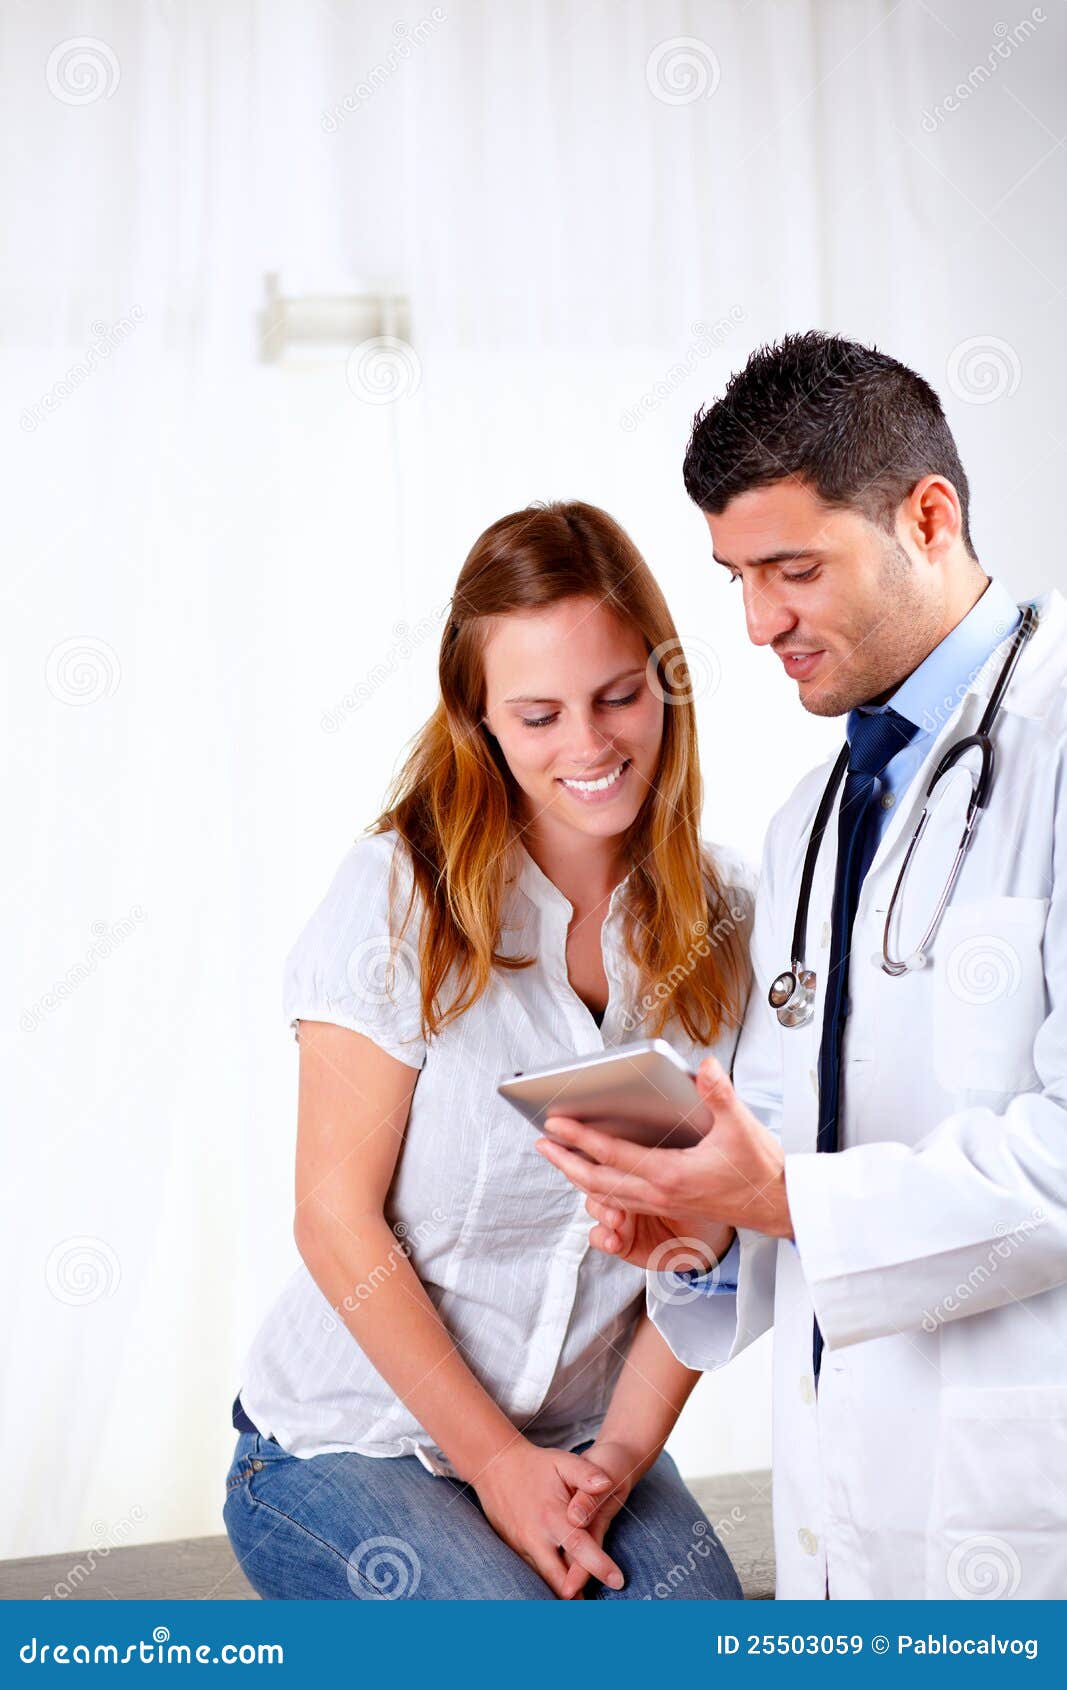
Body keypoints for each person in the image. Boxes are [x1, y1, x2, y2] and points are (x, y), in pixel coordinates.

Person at [536, 333, 1067, 1601]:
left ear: (925, 517)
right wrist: (706, 1217)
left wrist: (781, 1200)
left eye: (791, 568)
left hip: (1022, 1484)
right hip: (845, 1487)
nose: (757, 620)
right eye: (734, 575)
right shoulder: (810, 818)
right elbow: (786, 1135)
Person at [223, 500, 753, 1600]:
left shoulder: (729, 924)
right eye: (539, 713)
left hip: (584, 1434)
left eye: (616, 696)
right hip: (347, 1440)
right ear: (480, 720)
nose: (589, 745)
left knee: (701, 1643)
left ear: (665, 682)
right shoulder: (396, 897)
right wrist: (497, 1466)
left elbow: (711, 1236)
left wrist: (614, 1456)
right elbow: (332, 1215)